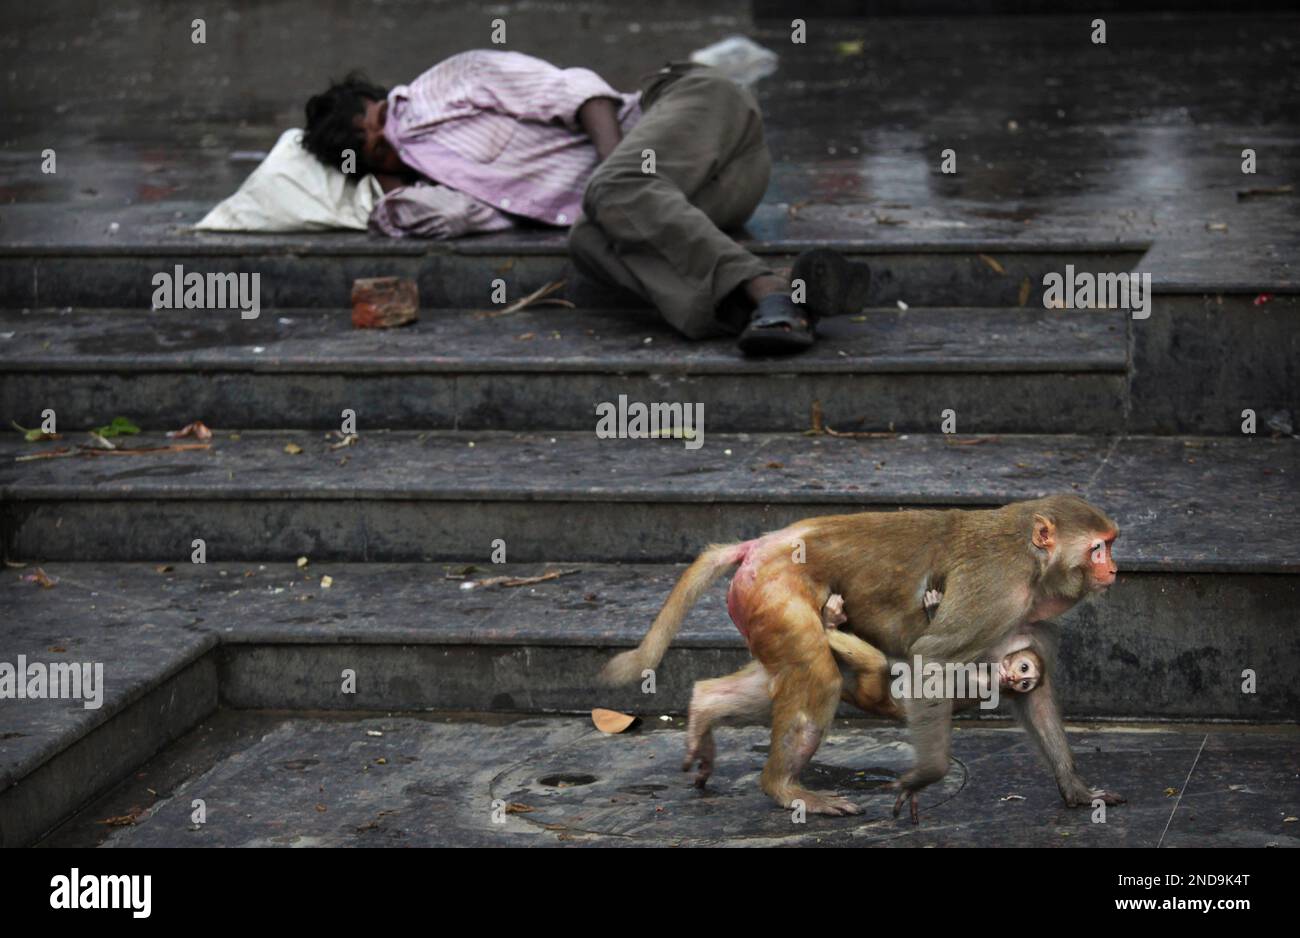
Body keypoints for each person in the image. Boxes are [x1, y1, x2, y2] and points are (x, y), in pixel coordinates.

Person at [302, 50, 871, 355]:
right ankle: (778, 309)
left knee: (604, 199)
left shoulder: (446, 84)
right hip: (712, 193)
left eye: (383, 122)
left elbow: (576, 90)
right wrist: (392, 184)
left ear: (382, 99)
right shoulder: (430, 184)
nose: (394, 138)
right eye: (379, 152)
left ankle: (766, 290)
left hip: (694, 110)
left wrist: (612, 174)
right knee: (586, 241)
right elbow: (454, 217)